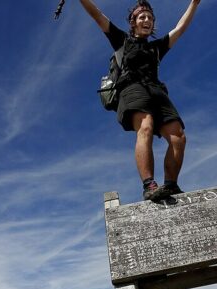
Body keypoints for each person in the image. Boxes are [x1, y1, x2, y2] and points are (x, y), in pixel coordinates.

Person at [79, 0, 201, 200]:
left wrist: (194, 4)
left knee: (178, 136)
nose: (147, 20)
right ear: (133, 22)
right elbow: (97, 15)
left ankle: (170, 185)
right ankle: (149, 185)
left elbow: (180, 29)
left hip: (157, 91)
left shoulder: (157, 48)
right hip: (132, 88)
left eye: (150, 18)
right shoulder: (122, 40)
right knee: (146, 126)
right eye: (142, 17)